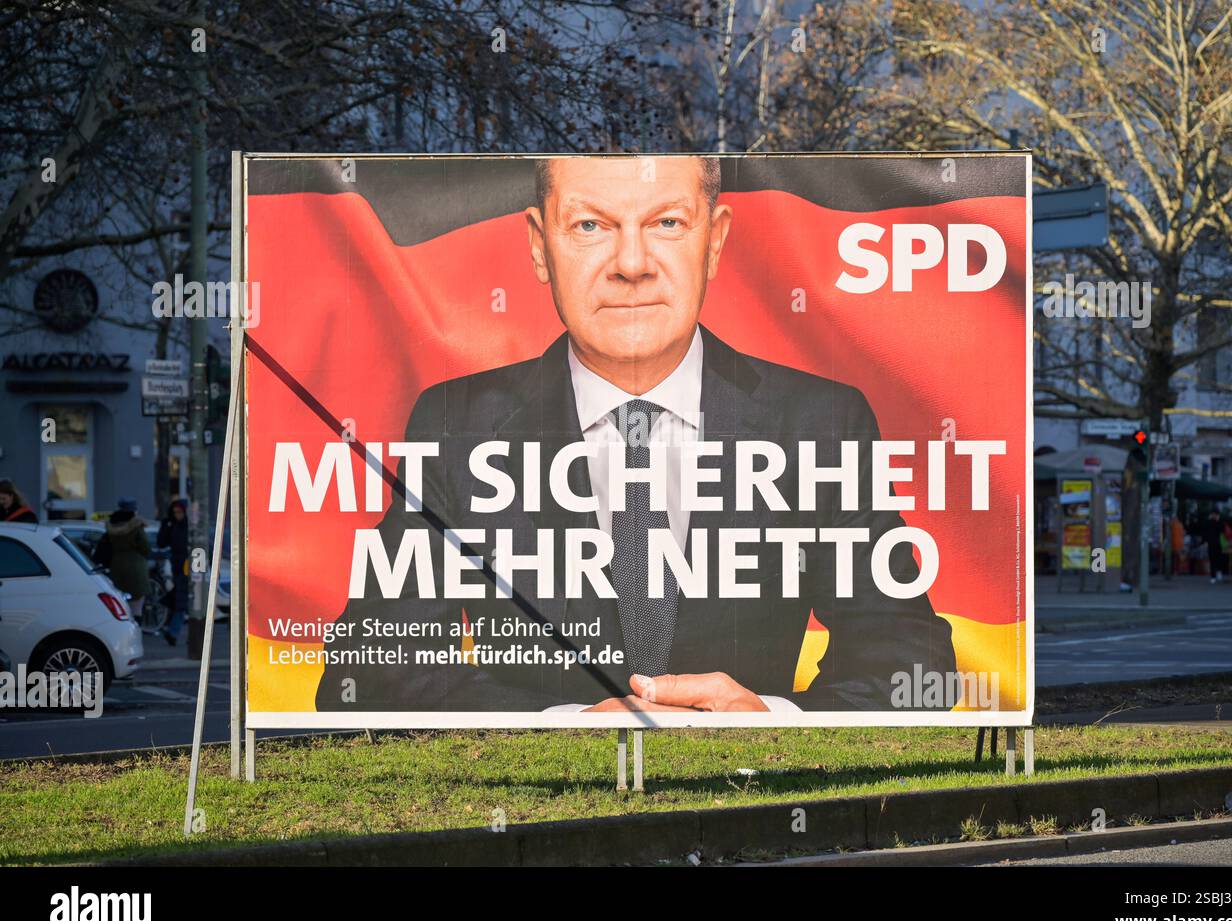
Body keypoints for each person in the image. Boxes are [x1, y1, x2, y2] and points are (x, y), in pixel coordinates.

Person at [318, 155, 957, 715]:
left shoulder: (820, 422)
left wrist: (770, 719)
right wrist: (562, 729)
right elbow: (368, 672)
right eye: (591, 225)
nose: (630, 263)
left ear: (715, 239)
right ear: (541, 246)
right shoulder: (458, 426)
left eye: (667, 223)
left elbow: (913, 664)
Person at [95, 497, 151, 619]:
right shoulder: (136, 526)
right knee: (137, 604)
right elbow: (146, 548)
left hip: (116, 566)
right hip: (136, 568)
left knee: (120, 603)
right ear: (133, 511)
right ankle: (136, 629)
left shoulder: (111, 525)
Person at [156, 499, 190, 646]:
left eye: (180, 512)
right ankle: (172, 630)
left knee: (181, 599)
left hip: (189, 564)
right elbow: (161, 542)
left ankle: (172, 630)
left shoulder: (190, 525)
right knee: (180, 599)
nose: (177, 515)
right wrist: (166, 525)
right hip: (177, 565)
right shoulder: (170, 524)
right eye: (175, 512)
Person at [1200, 508, 1225, 583]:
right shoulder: (1208, 522)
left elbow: (1222, 530)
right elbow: (1205, 532)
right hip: (1211, 543)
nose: (1214, 515)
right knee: (1212, 559)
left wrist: (1218, 521)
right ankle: (1213, 576)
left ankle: (1219, 572)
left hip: (1218, 543)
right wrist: (1204, 542)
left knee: (1219, 558)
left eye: (1216, 514)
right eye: (1213, 514)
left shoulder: (1219, 522)